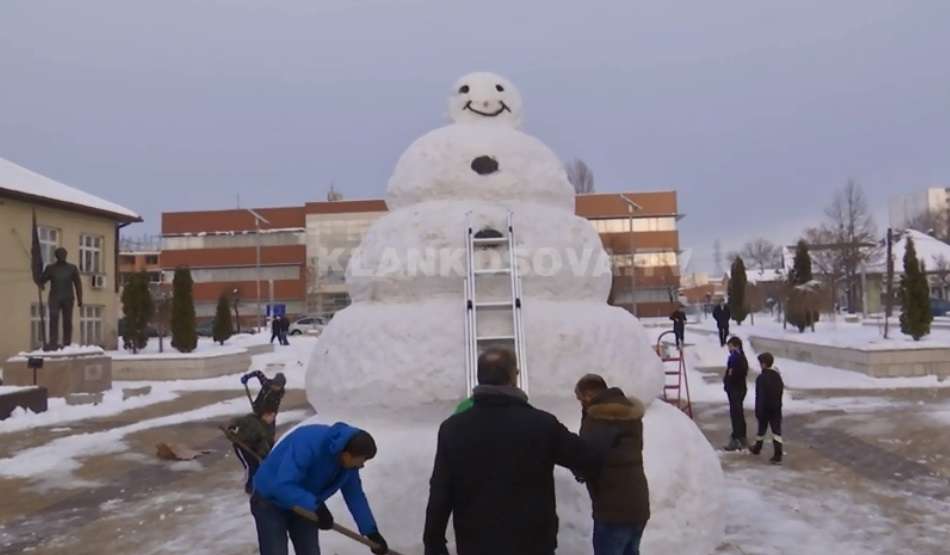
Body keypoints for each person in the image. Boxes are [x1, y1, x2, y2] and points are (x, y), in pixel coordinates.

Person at [424, 349, 601, 555]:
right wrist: (596, 413)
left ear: (480, 378)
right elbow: (588, 459)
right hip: (533, 544)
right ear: (513, 377)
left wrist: (433, 542)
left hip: (476, 544)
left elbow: (440, 491)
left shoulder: (452, 429)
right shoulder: (541, 424)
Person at [251, 423, 390, 555]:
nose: (362, 465)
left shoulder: (348, 467)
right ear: (347, 454)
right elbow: (283, 485)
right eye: (362, 460)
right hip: (270, 502)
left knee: (310, 551)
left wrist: (371, 532)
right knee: (276, 551)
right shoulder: (308, 443)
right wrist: (316, 506)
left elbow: (355, 497)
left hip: (304, 506)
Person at [574, 374, 650, 555]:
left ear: (588, 395)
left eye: (579, 398)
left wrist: (577, 469)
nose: (579, 403)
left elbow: (587, 458)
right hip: (638, 503)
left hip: (613, 509)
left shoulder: (598, 420)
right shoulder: (630, 416)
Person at [751, 353, 785, 464]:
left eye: (760, 363)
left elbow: (760, 396)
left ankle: (757, 448)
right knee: (776, 431)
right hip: (776, 408)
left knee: (761, 429)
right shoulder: (777, 376)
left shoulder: (761, 378)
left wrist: (758, 410)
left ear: (764, 364)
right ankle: (778, 453)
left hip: (764, 409)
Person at [723, 336, 749, 451]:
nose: (729, 348)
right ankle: (741, 437)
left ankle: (737, 438)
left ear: (736, 346)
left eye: (730, 346)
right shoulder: (739, 357)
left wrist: (728, 380)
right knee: (738, 413)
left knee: (736, 414)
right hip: (738, 388)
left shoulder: (736, 358)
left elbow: (733, 373)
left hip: (735, 389)